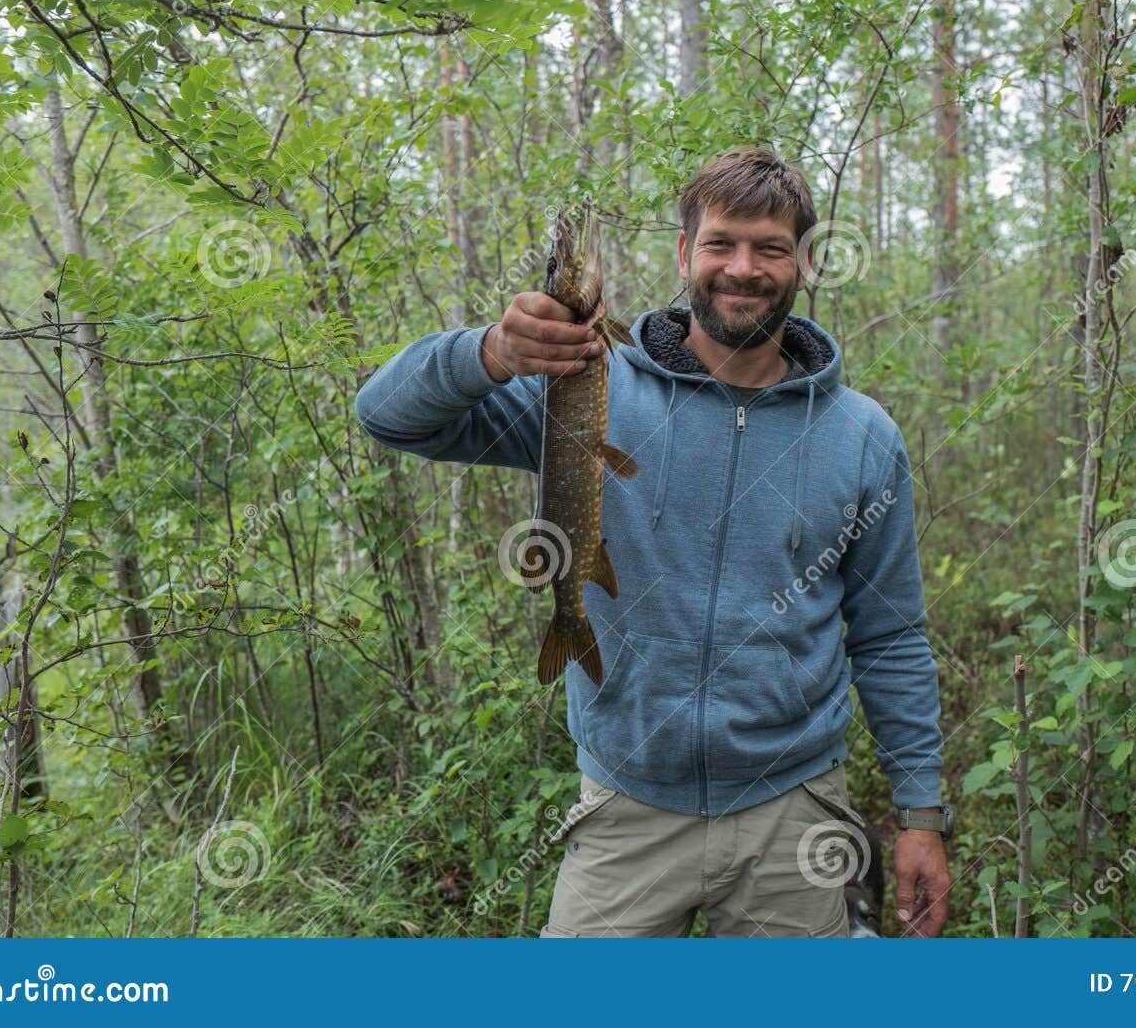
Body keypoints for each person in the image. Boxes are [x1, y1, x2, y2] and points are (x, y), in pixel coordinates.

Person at [355, 146, 952, 937]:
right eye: (721, 244)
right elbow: (386, 415)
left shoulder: (862, 437)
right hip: (626, 810)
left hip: (795, 812)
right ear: (684, 253)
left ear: (803, 263)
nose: (743, 268)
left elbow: (891, 638)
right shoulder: (585, 384)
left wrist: (920, 816)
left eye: (770, 248)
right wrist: (490, 354)